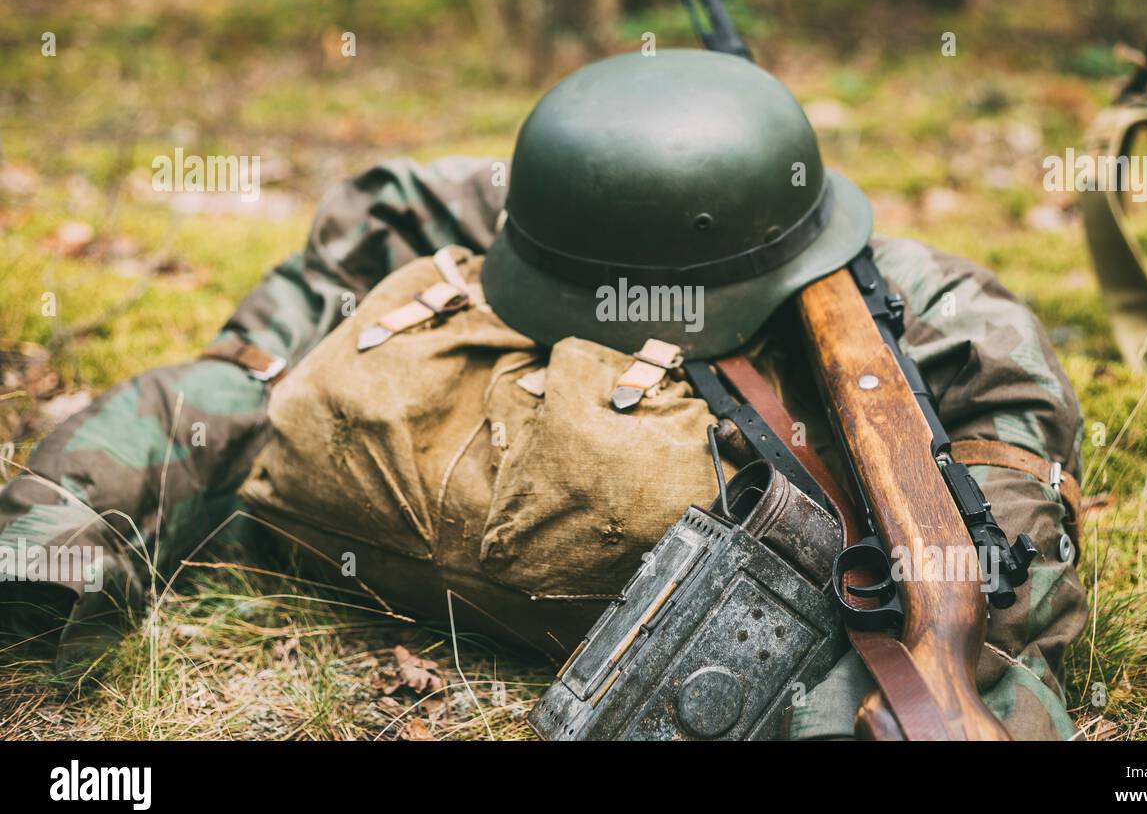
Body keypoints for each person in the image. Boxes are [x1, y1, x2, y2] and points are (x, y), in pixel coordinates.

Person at [0, 49, 1086, 739]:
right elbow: (253, 360)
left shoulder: (932, 313)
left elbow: (1006, 546)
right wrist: (56, 537)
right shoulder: (540, 189)